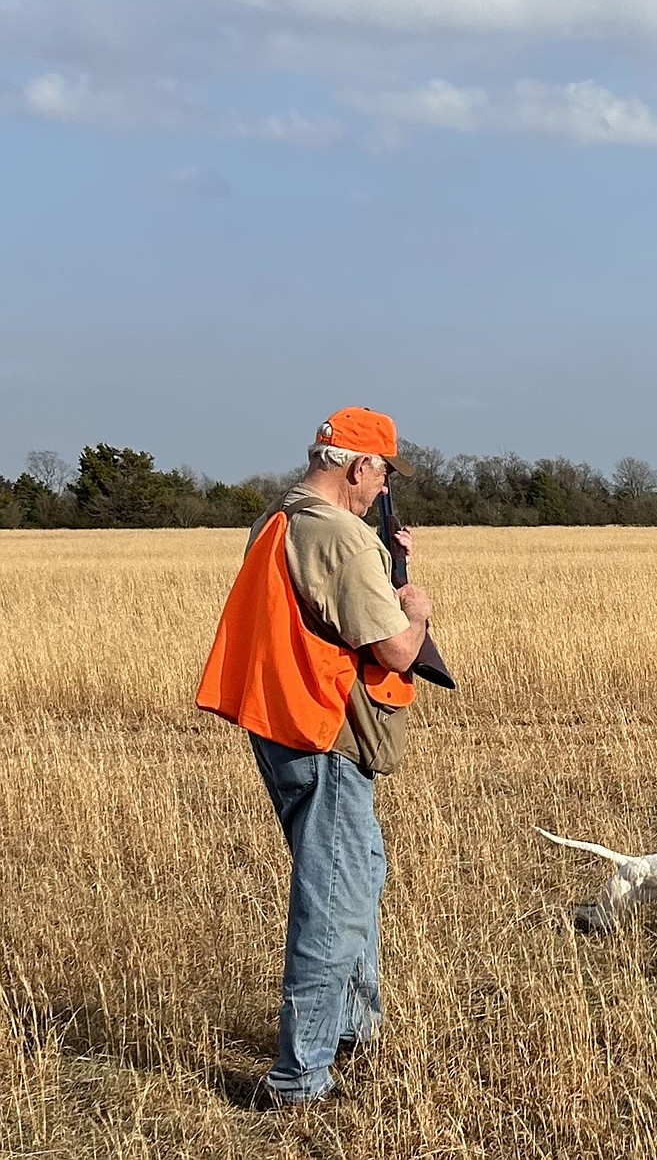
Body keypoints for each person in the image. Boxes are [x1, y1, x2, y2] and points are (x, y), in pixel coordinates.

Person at [196, 407, 433, 1107]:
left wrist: (390, 561)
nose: (382, 487)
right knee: (333, 901)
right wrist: (414, 606)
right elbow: (392, 648)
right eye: (383, 472)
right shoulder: (342, 537)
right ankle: (298, 1080)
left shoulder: (276, 517)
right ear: (360, 465)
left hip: (278, 723)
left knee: (355, 873)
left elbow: (325, 608)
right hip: (323, 731)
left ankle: (353, 1032)